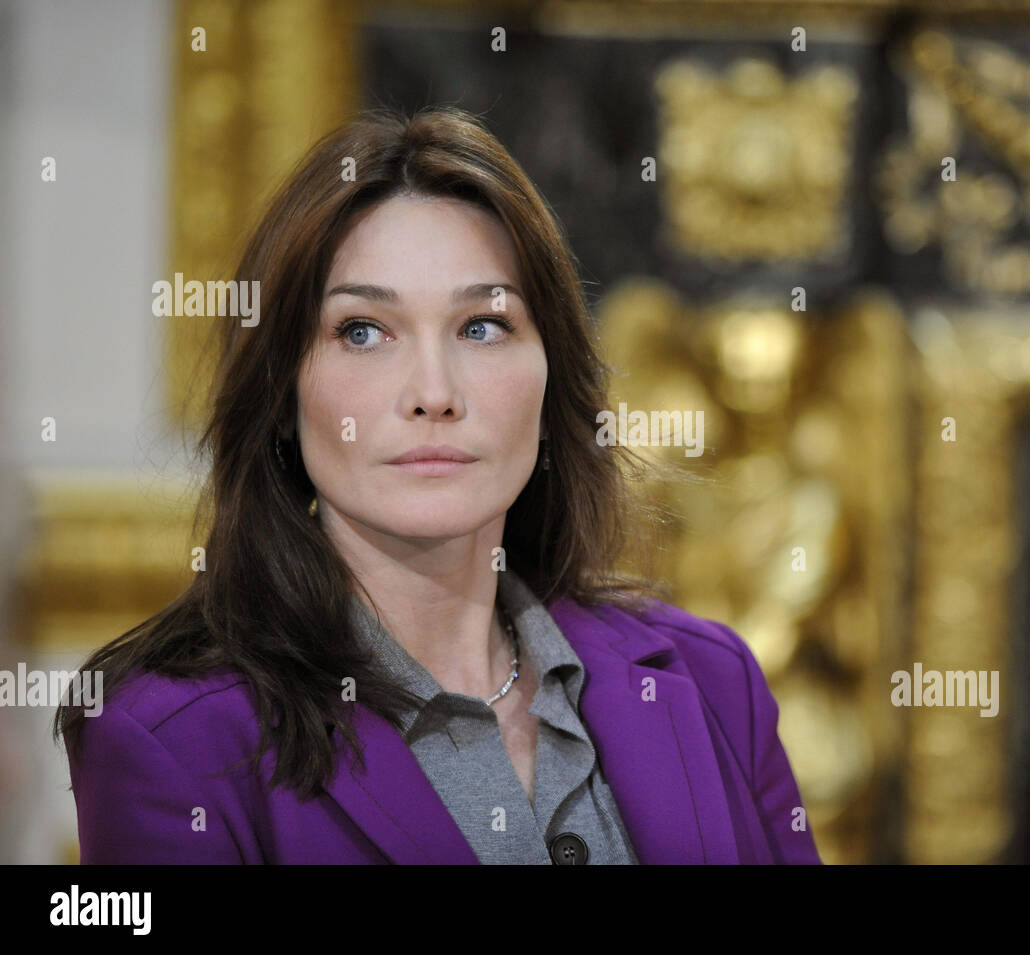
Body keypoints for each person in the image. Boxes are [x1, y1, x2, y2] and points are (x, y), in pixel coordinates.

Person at [55, 106, 821, 865]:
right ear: (283, 394)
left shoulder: (716, 682)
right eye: (362, 330)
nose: (433, 391)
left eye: (482, 326)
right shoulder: (168, 741)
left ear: (552, 383)